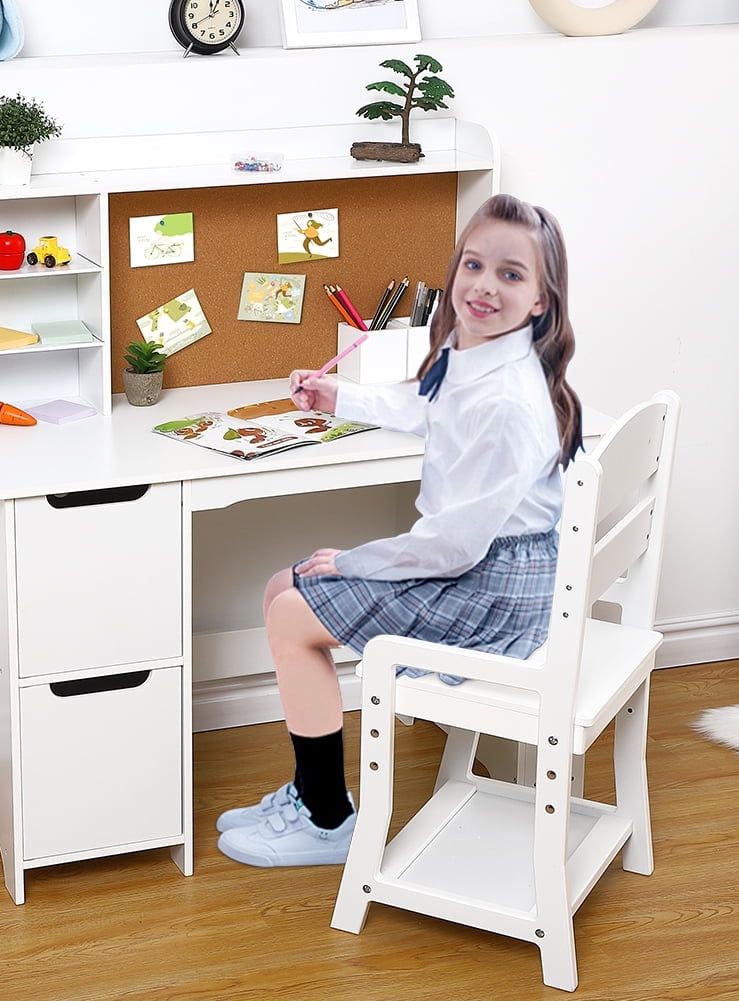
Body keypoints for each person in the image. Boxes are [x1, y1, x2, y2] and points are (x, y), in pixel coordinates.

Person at [215, 193, 583, 868]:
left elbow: (453, 546)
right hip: (484, 563)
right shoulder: (475, 353)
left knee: (292, 613)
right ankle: (311, 790)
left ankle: (326, 819)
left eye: (510, 274)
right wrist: (340, 397)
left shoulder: (507, 401)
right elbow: (427, 407)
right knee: (280, 588)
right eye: (473, 264)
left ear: (539, 300)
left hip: (492, 585)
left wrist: (355, 560)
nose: (481, 285)